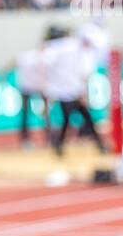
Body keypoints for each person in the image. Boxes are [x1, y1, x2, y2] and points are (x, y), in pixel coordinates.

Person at [43, 28, 106, 156]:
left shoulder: (67, 49)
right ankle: (59, 145)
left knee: (82, 119)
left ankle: (99, 144)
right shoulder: (70, 47)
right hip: (68, 91)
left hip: (70, 91)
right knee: (71, 120)